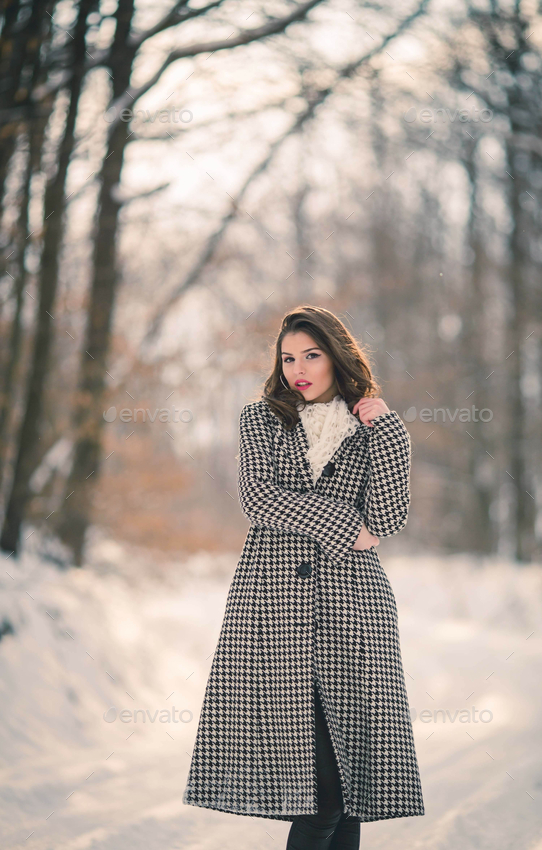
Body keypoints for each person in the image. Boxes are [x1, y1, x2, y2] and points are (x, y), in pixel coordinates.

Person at [183, 306, 425, 848]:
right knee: (322, 800)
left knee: (353, 795)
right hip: (275, 608)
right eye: (288, 357)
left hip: (354, 610)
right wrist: (344, 522)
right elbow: (259, 499)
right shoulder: (261, 418)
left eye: (311, 355)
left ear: (337, 356)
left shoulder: (371, 427)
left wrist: (389, 432)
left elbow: (387, 520)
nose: (298, 369)